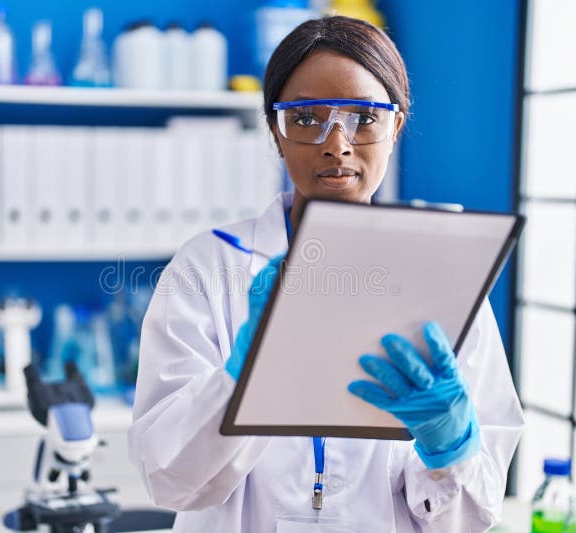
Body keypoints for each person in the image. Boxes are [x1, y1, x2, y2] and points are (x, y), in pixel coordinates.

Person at [128, 15, 523, 532]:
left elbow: (472, 517)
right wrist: (241, 383)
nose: (337, 144)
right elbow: (168, 479)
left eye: (364, 116)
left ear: (396, 126)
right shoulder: (208, 267)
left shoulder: (443, 273)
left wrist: (451, 444)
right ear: (276, 130)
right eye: (307, 118)